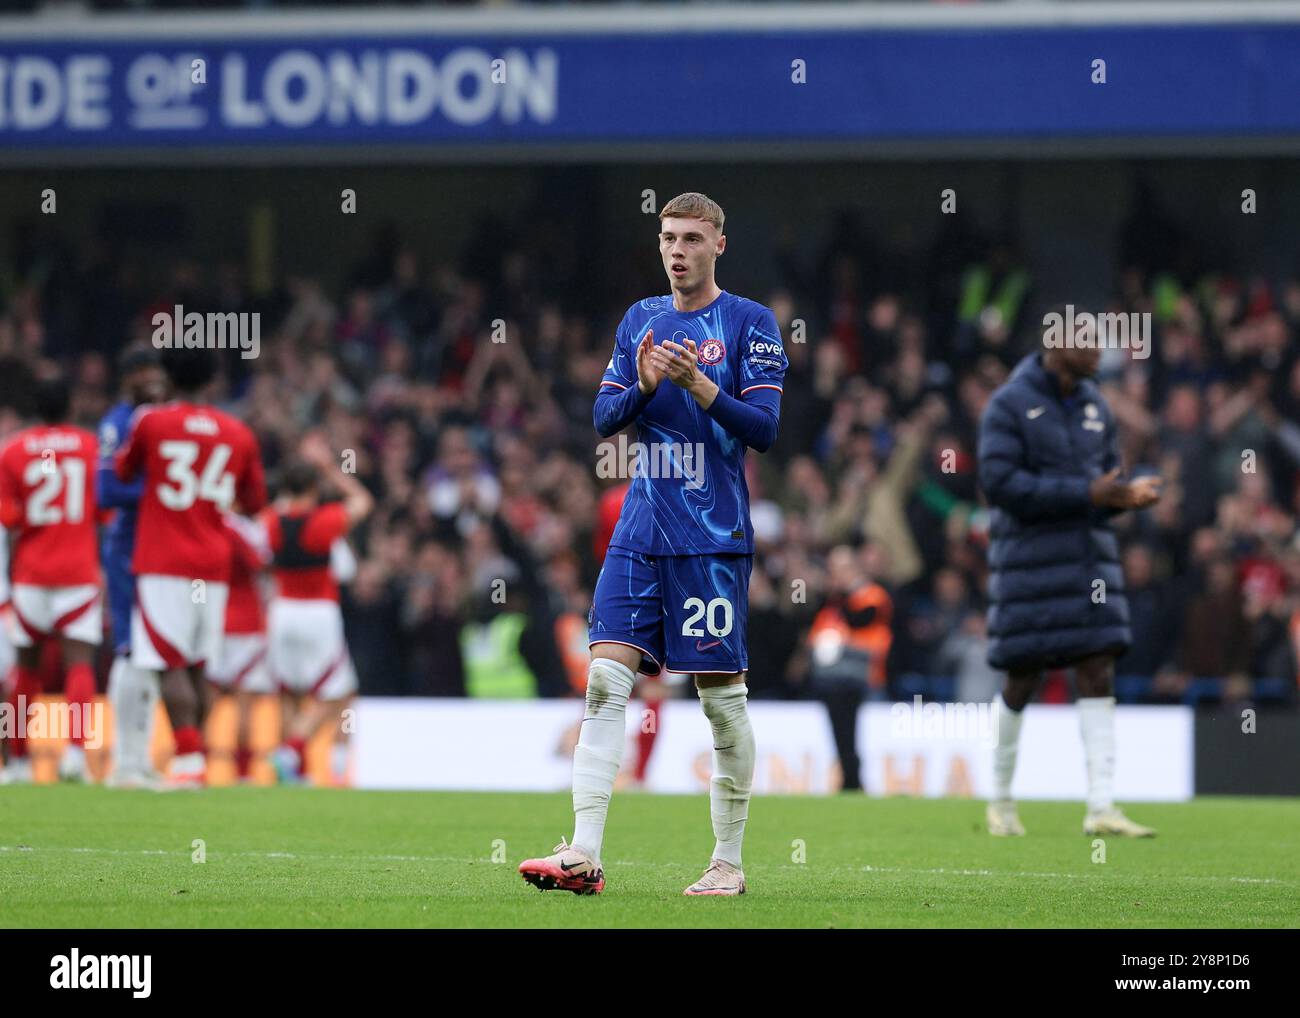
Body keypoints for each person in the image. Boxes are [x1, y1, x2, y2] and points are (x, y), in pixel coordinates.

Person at [519, 191, 787, 896]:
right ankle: (583, 852)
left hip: (712, 537)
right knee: (606, 679)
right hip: (640, 528)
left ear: (718, 246)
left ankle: (727, 862)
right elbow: (606, 416)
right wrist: (641, 382)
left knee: (721, 702)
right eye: (668, 237)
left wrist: (698, 383)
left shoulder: (750, 323)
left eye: (693, 238)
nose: (677, 250)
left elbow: (762, 429)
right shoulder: (640, 319)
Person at [977, 313, 1161, 837]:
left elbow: (1105, 485)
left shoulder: (1095, 406)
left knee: (1099, 666)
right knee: (1022, 676)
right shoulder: (1009, 405)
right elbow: (1000, 484)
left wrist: (1127, 497)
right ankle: (1001, 801)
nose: (1099, 352)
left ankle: (1101, 806)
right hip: (1028, 564)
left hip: (1088, 563)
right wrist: (1088, 495)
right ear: (1055, 346)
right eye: (1088, 343)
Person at [116, 348, 266, 788]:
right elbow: (255, 502)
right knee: (199, 665)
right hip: (214, 565)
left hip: (164, 560)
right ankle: (194, 759)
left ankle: (186, 761)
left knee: (167, 663)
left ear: (168, 377)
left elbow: (124, 471)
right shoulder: (238, 432)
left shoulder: (151, 420)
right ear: (213, 382)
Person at [0, 377, 102, 783]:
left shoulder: (14, 450)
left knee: (25, 669)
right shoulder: (91, 447)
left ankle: (18, 761)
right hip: (78, 571)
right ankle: (75, 755)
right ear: (71, 407)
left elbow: (7, 517)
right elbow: (106, 510)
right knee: (80, 663)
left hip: (31, 573)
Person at [262, 434, 373, 784]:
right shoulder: (324, 522)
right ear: (314, 486)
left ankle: (299, 772)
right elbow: (362, 500)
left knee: (291, 694)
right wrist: (328, 466)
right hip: (318, 614)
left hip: (281, 613)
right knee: (337, 692)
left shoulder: (271, 522)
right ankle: (292, 751)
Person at [98, 345, 169, 788]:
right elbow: (105, 490)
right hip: (130, 545)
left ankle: (136, 759)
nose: (154, 381)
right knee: (131, 646)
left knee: (153, 651)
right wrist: (160, 494)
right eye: (145, 373)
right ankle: (124, 763)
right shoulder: (119, 422)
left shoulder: (157, 421)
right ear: (130, 378)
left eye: (157, 373)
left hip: (159, 547)